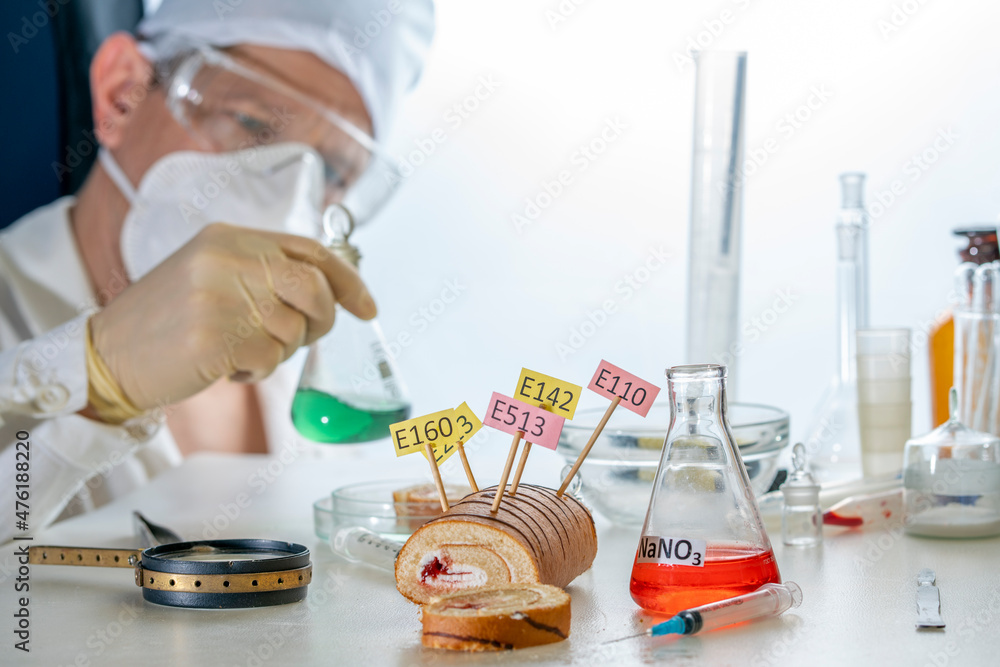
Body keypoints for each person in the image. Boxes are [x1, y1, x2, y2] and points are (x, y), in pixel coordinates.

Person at [0, 0, 434, 544]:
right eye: (252, 122)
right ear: (122, 92)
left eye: (330, 172)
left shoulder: (307, 380)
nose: (288, 197)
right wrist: (102, 375)